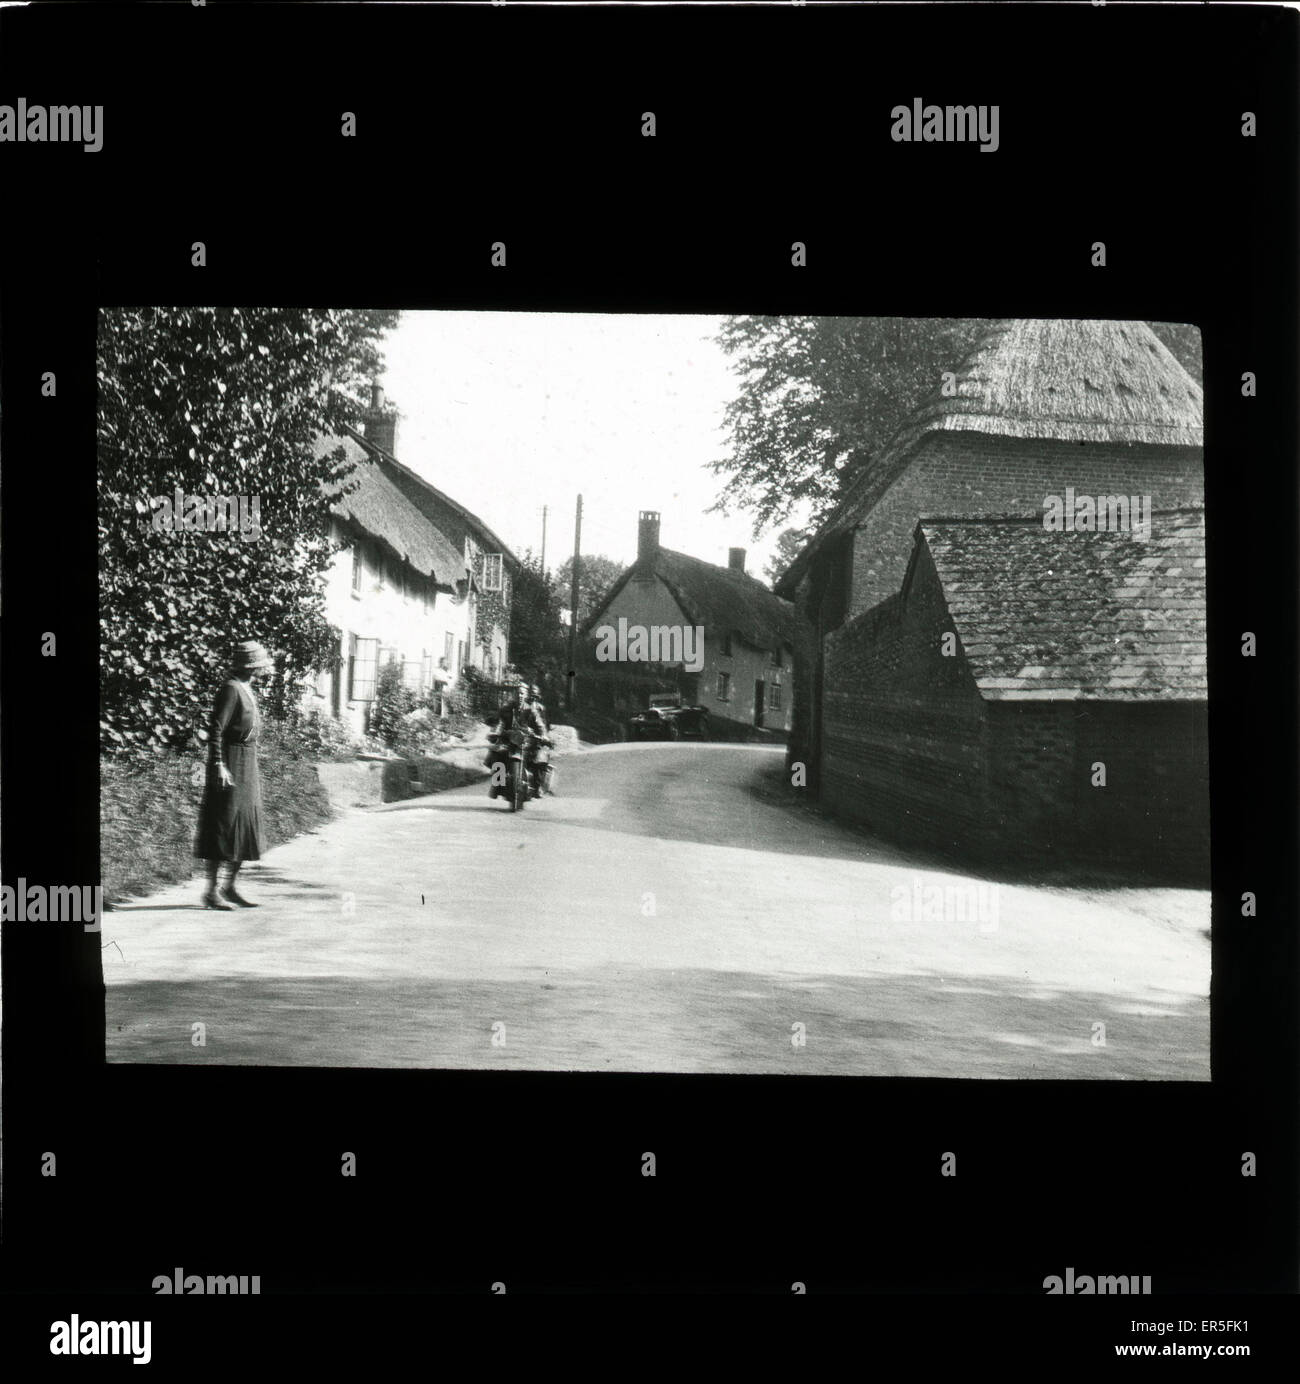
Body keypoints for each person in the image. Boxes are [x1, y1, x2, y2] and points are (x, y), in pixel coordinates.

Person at [194, 640, 271, 908]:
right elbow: (216, 730)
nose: (263, 669)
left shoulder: (246, 688)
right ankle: (211, 891)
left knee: (245, 823)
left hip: (247, 761)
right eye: (260, 664)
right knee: (224, 823)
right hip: (230, 761)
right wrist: (218, 764)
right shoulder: (230, 689)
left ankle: (230, 887)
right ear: (250, 666)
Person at [484, 679, 547, 798]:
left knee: (539, 757)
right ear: (514, 695)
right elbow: (500, 722)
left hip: (527, 741)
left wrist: (544, 735)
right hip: (509, 740)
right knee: (497, 754)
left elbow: (540, 725)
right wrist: (495, 733)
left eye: (522, 693)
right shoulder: (506, 709)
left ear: (526, 695)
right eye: (518, 693)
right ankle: (497, 785)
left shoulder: (531, 710)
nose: (520, 695)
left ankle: (537, 787)